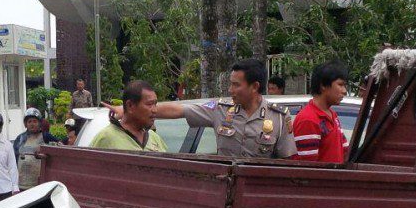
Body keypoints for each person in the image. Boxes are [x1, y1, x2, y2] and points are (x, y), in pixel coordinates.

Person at [107, 59, 294, 159]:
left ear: (254, 86)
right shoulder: (220, 109)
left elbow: (287, 165)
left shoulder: (278, 118)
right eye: (230, 84)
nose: (230, 90)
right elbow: (179, 110)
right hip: (226, 198)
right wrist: (128, 110)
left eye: (236, 85)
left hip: (259, 199)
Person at [293, 61, 350, 163]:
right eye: (340, 85)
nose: (344, 91)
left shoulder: (333, 115)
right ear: (323, 85)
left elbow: (345, 152)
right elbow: (309, 167)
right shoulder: (308, 119)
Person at [90, 80, 168, 152]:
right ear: (130, 106)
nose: (155, 110)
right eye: (149, 104)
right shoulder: (107, 138)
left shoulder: (154, 138)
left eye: (155, 104)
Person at [13, 107, 60, 190]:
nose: (32, 124)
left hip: (39, 184)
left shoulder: (45, 136)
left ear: (39, 123)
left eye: (35, 121)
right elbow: (13, 159)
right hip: (22, 183)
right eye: (29, 121)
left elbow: (59, 147)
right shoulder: (19, 139)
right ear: (25, 124)